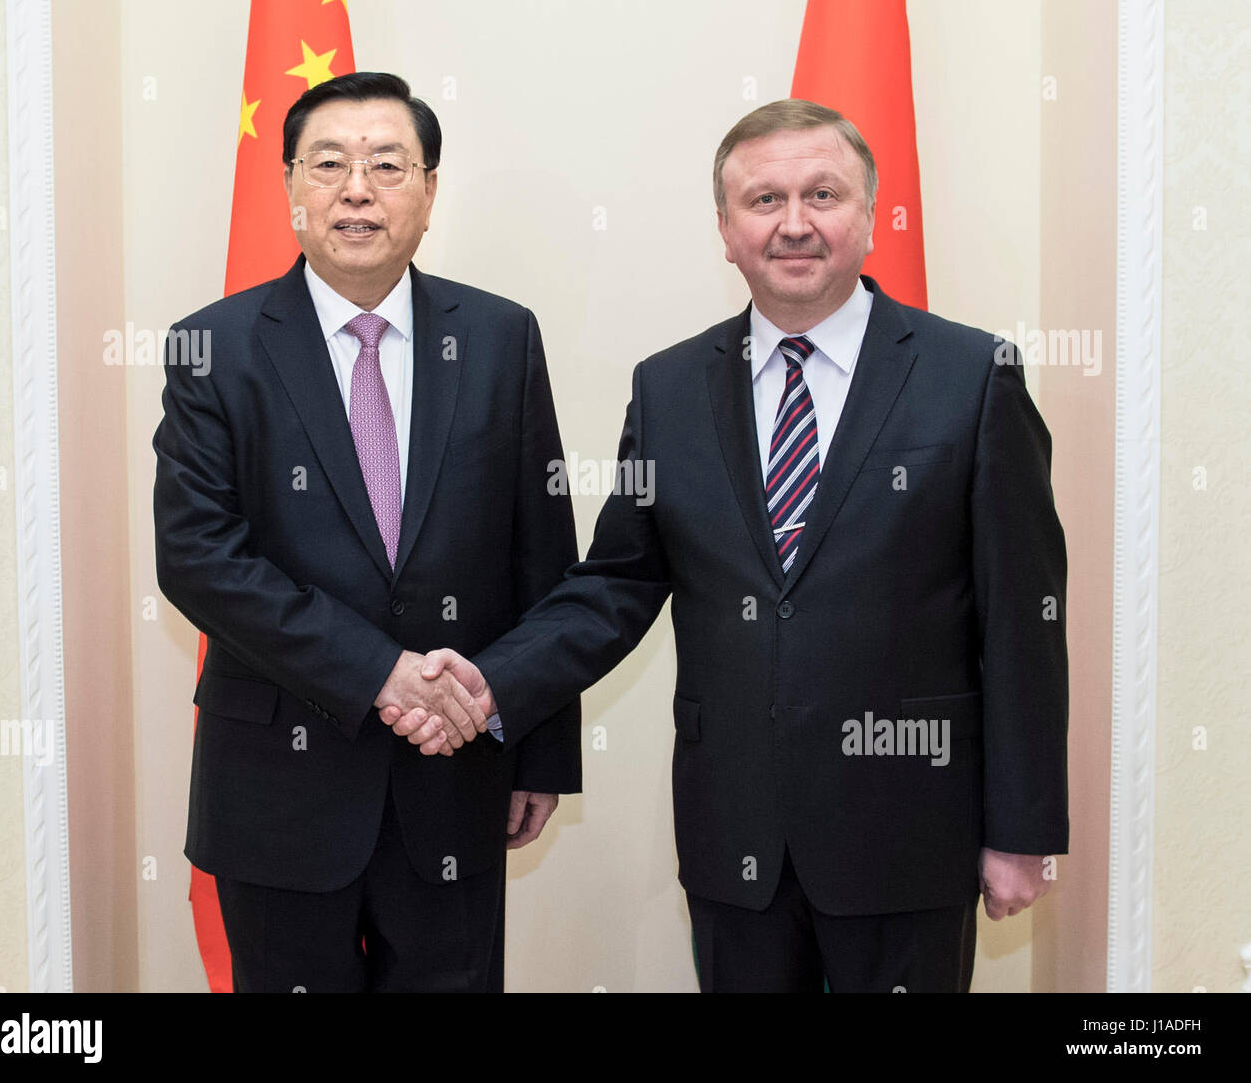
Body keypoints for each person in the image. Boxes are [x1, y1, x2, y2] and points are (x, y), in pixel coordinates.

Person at [391, 99, 1069, 992]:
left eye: (822, 194)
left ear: (870, 213)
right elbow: (617, 583)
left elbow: (1024, 620)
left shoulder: (973, 376)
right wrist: (490, 683)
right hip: (734, 838)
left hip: (910, 833)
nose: (794, 224)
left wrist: (1019, 829)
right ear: (724, 229)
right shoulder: (668, 387)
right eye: (764, 200)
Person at [152, 72, 580, 993]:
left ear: (429, 190)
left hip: (457, 772)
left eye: (389, 164)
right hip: (278, 783)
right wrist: (378, 671)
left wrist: (536, 745)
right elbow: (198, 559)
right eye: (330, 165)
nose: (358, 188)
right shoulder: (213, 349)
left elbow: (541, 554)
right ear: (291, 190)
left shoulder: (502, 337)